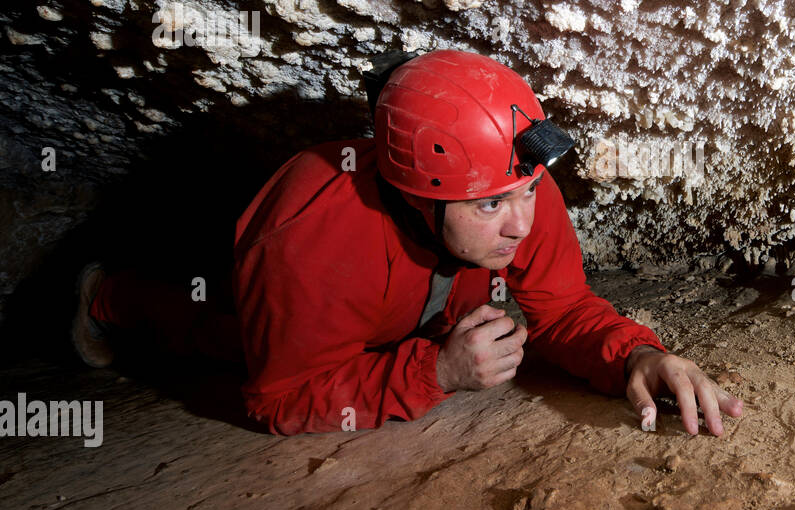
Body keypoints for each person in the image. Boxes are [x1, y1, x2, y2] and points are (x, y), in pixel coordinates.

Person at [73, 49, 742, 438]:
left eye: (528, 192)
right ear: (418, 197)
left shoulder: (515, 179)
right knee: (221, 333)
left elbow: (563, 309)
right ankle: (106, 295)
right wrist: (436, 373)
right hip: (321, 301)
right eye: (490, 205)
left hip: (413, 309)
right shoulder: (312, 237)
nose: (521, 222)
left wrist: (637, 354)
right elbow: (277, 397)